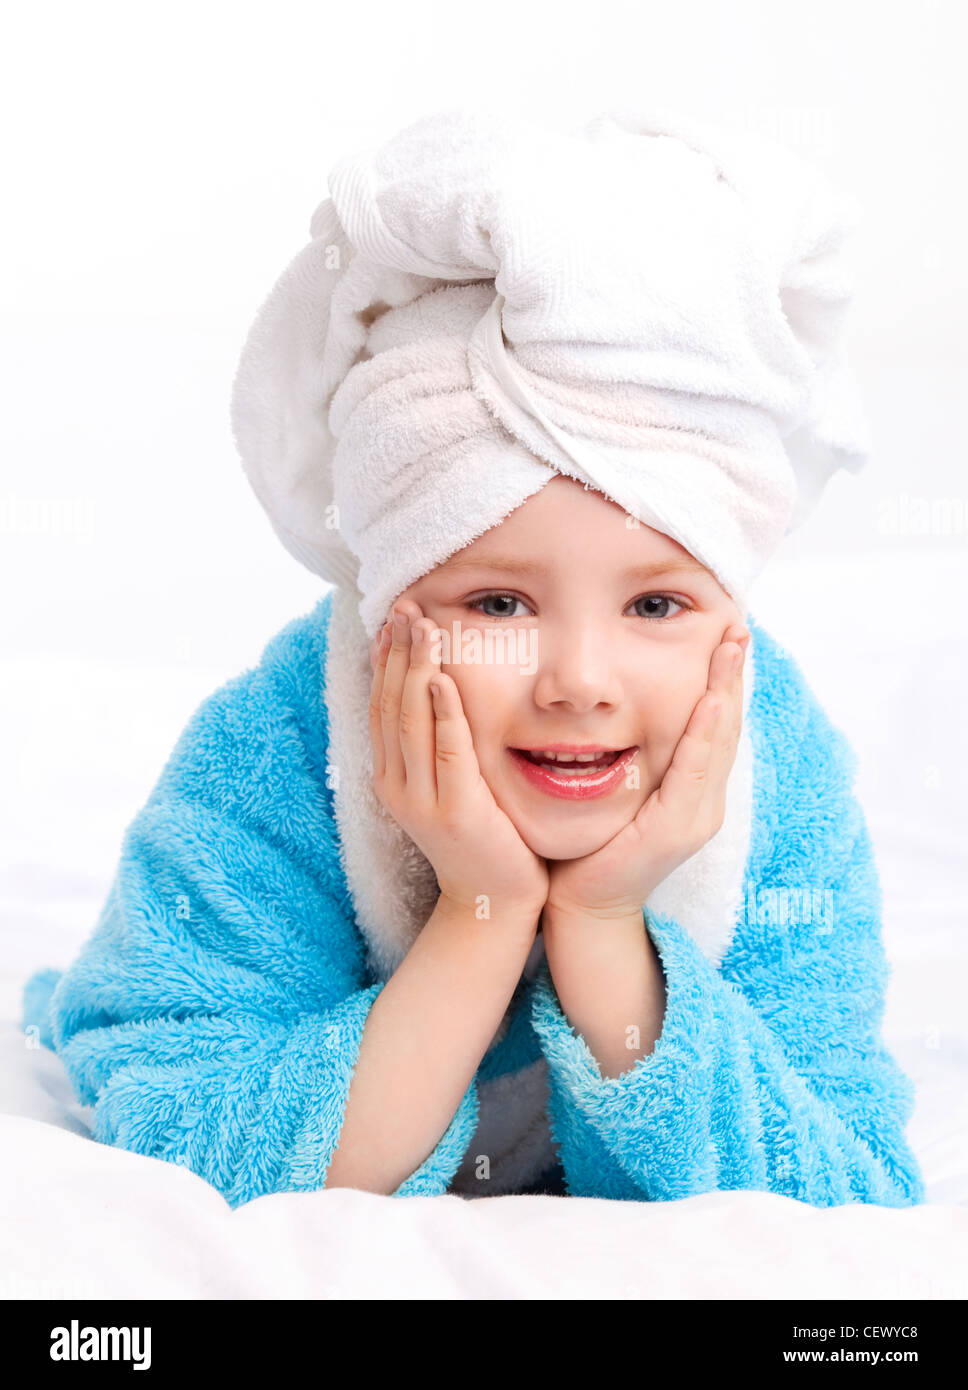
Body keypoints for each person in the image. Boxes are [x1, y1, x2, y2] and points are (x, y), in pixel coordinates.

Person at [21, 107, 925, 1209]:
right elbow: (197, 1142)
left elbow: (840, 1189)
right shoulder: (279, 753)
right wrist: (481, 913)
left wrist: (602, 932)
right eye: (498, 600)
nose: (580, 680)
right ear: (390, 601)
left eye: (655, 601)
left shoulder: (772, 771)